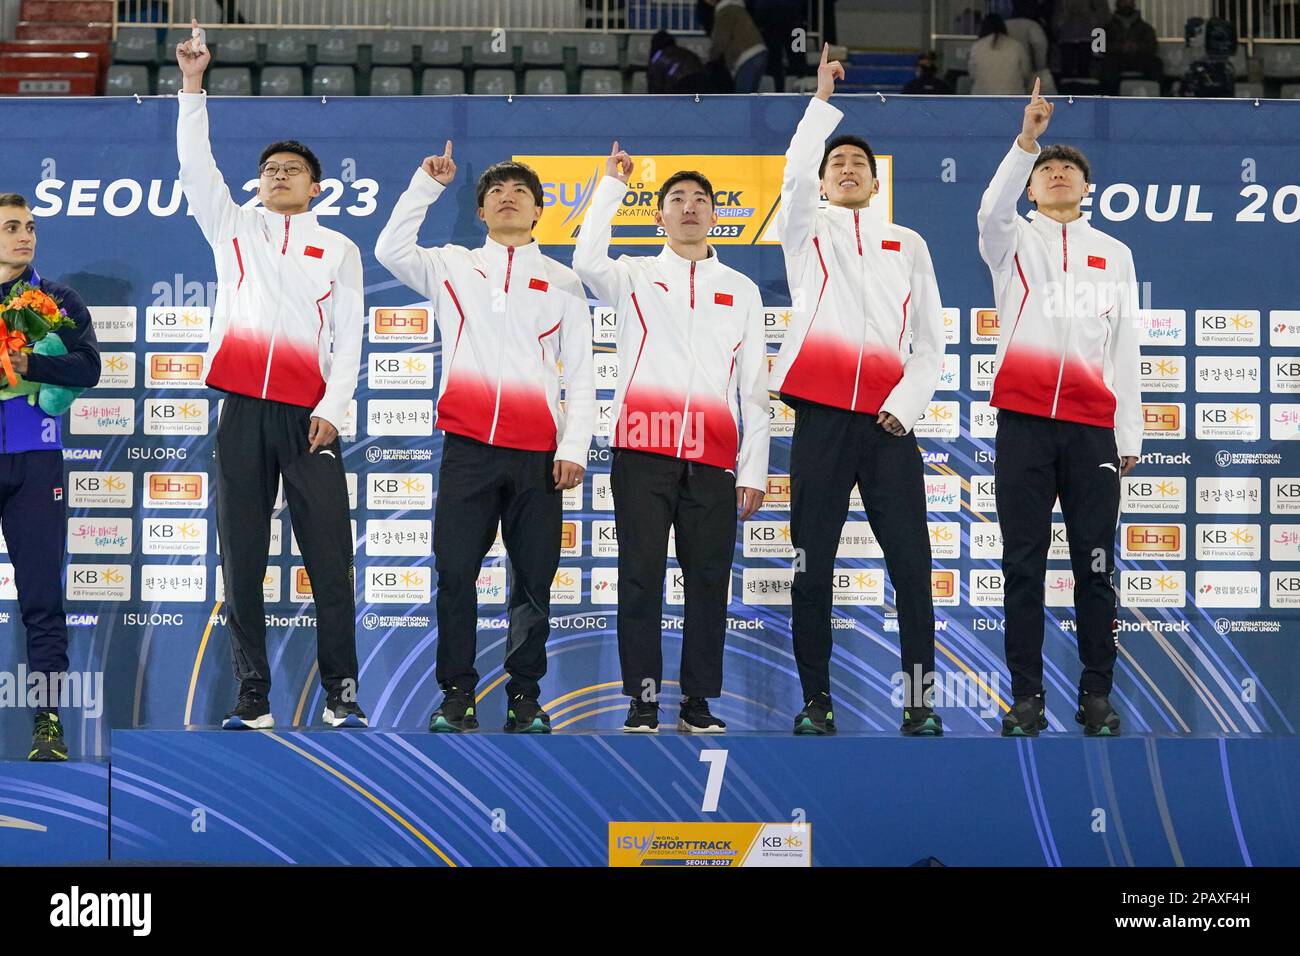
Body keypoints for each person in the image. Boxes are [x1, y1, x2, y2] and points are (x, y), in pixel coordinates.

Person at [175, 21, 367, 730]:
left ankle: (342, 692)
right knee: (244, 564)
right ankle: (253, 695)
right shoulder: (234, 229)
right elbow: (198, 169)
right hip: (243, 415)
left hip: (308, 415)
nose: (278, 174)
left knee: (330, 563)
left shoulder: (338, 248)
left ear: (315, 188)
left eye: (292, 169)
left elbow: (349, 339)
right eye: (270, 169)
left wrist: (336, 408)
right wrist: (193, 87)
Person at [375, 143, 595, 736]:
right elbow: (389, 249)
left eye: (520, 191)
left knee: (531, 581)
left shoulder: (564, 281)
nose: (507, 197)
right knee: (455, 575)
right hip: (468, 449)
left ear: (538, 210)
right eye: (495, 192)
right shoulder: (452, 265)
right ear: (480, 212)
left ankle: (525, 696)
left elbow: (582, 374)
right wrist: (425, 184)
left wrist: (573, 448)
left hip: (538, 456)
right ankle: (457, 695)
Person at [772, 45, 946, 737]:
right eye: (836, 165)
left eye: (858, 167)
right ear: (822, 182)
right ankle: (817, 702)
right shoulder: (806, 231)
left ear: (876, 184)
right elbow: (791, 177)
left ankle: (920, 701)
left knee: (913, 570)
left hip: (887, 429)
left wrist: (902, 411)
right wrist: (820, 102)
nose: (847, 170)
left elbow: (930, 347)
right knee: (810, 572)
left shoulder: (908, 243)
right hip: (820, 420)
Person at [573, 145, 769, 734]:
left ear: (716, 216)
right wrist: (611, 186)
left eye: (700, 201)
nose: (689, 208)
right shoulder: (632, 274)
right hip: (642, 449)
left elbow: (754, 388)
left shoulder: (741, 288)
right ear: (658, 217)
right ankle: (643, 699)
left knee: (708, 581)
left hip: (712, 459)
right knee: (639, 576)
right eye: (676, 200)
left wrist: (753, 470)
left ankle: (698, 701)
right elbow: (585, 258)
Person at [977, 79, 1143, 737]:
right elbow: (990, 211)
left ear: (1085, 186)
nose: (1056, 174)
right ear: (1031, 186)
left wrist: (1126, 428)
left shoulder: (1116, 254)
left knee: (1095, 567)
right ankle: (1026, 697)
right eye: (1046, 169)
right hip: (1023, 423)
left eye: (1067, 168)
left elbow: (1124, 343)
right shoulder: (1013, 240)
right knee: (1023, 565)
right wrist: (1025, 141)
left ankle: (1095, 697)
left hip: (1091, 431)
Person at [0, 193, 100, 760]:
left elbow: (89, 367)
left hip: (37, 464)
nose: (25, 236)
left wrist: (29, 365)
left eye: (31, 227)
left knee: (42, 599)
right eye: (12, 227)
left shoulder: (57, 299)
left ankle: (48, 722)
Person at [700, 0, 769, 93]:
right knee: (750, 95)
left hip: (746, 56)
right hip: (758, 52)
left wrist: (711, 57)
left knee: (742, 97)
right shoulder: (737, 8)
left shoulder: (725, 11)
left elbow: (721, 40)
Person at [1098, 0, 1164, 95]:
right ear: (1117, 4)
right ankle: (1110, 101)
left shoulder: (1146, 28)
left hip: (1140, 59)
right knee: (1107, 66)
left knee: (1156, 64)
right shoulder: (1106, 28)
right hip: (1116, 59)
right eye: (1124, 1)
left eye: (1130, 1)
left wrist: (1137, 47)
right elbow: (1099, 47)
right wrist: (1120, 47)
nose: (1127, 4)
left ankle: (1157, 99)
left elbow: (1152, 47)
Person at [968, 13, 1034, 95]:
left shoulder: (976, 47)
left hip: (982, 98)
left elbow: (972, 75)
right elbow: (1026, 74)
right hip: (1012, 98)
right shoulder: (1016, 46)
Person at [1005, 0, 1056, 93]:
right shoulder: (1033, 26)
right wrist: (1040, 68)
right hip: (1030, 72)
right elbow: (1040, 47)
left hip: (1007, 73)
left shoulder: (1004, 26)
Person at [647, 30, 708, 95]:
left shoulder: (658, 58)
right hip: (703, 83)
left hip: (681, 87)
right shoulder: (686, 53)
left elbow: (656, 88)